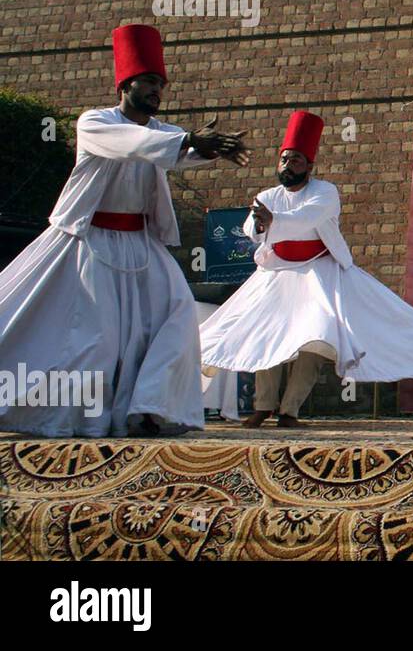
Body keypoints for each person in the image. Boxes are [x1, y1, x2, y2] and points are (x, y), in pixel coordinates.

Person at [0, 24, 248, 437]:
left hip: (140, 244)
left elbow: (176, 152)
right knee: (98, 338)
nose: (157, 91)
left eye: (161, 84)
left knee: (179, 312)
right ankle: (78, 415)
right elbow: (133, 143)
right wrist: (188, 139)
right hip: (90, 244)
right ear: (125, 84)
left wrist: (211, 148)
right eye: (150, 82)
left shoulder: (160, 132)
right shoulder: (94, 123)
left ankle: (150, 407)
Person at [201, 111, 413, 427]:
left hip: (319, 272)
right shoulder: (267, 196)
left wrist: (275, 221)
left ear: (309, 166)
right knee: (265, 336)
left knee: (316, 338)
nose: (289, 165)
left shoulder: (325, 192)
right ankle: (263, 406)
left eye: (296, 160)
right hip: (278, 273)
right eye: (285, 159)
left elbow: (307, 218)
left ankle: (290, 411)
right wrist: (259, 224)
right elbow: (251, 229)